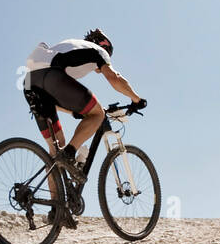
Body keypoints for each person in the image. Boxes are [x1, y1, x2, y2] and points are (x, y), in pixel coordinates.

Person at [24, 29, 146, 226]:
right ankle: (70, 153)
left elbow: (54, 99)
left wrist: (74, 112)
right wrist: (137, 100)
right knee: (97, 113)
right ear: (105, 46)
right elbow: (114, 78)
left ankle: (56, 209)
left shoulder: (68, 48)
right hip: (51, 76)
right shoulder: (98, 50)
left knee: (55, 149)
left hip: (31, 82)